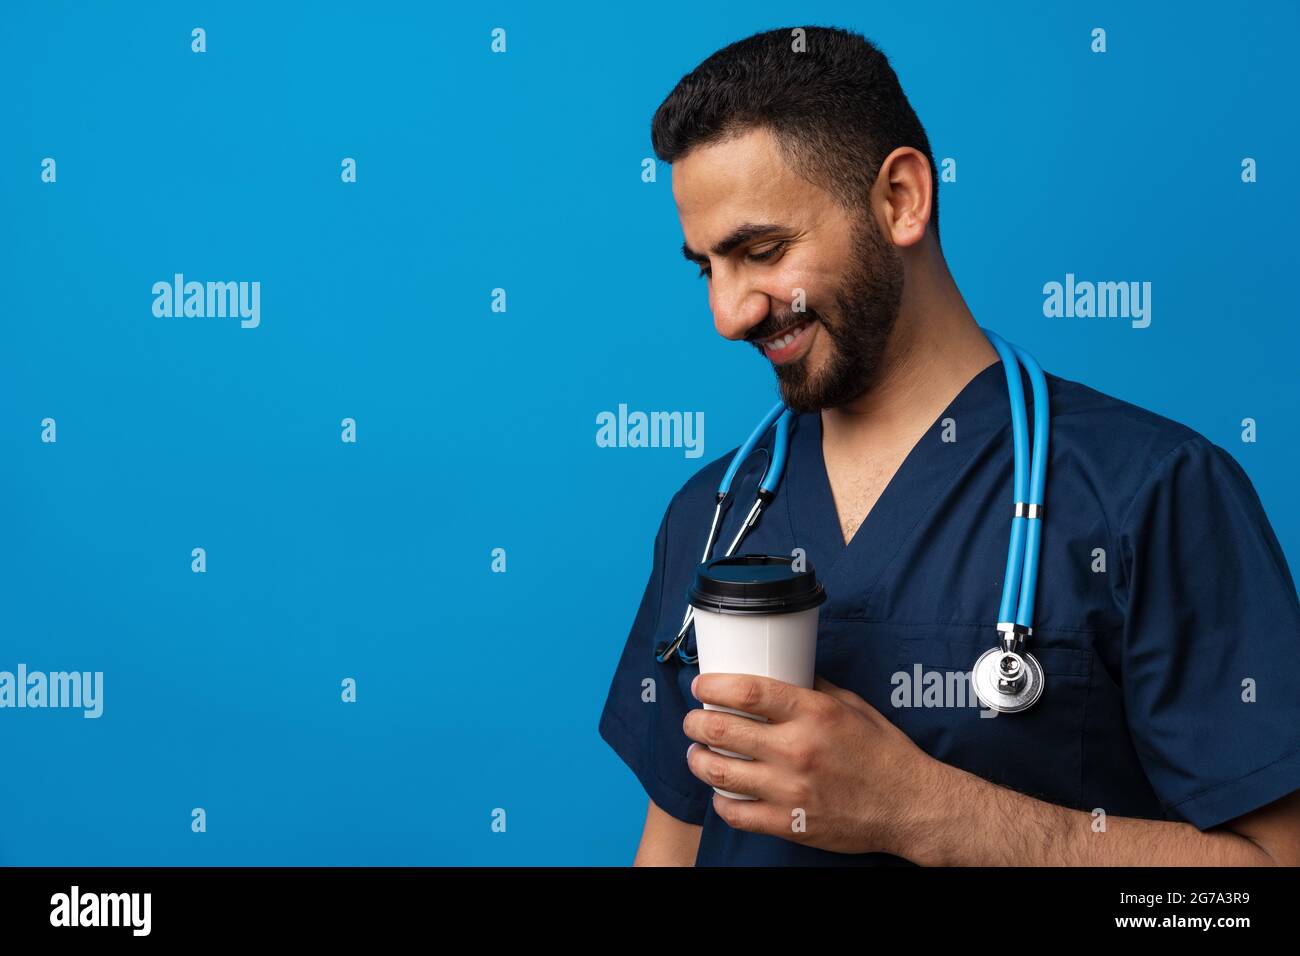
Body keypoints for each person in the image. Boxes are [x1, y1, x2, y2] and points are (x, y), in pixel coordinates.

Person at [597, 25, 1300, 866]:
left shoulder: (1151, 493)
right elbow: (671, 848)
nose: (729, 313)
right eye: (706, 267)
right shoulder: (716, 519)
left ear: (900, 199)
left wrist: (931, 812)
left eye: (761, 251)